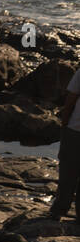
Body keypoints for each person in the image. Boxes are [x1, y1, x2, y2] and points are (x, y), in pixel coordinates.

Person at [48, 65, 80, 221]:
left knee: (68, 172)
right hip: (74, 129)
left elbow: (71, 99)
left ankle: (59, 210)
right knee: (68, 172)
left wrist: (64, 124)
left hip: (75, 129)